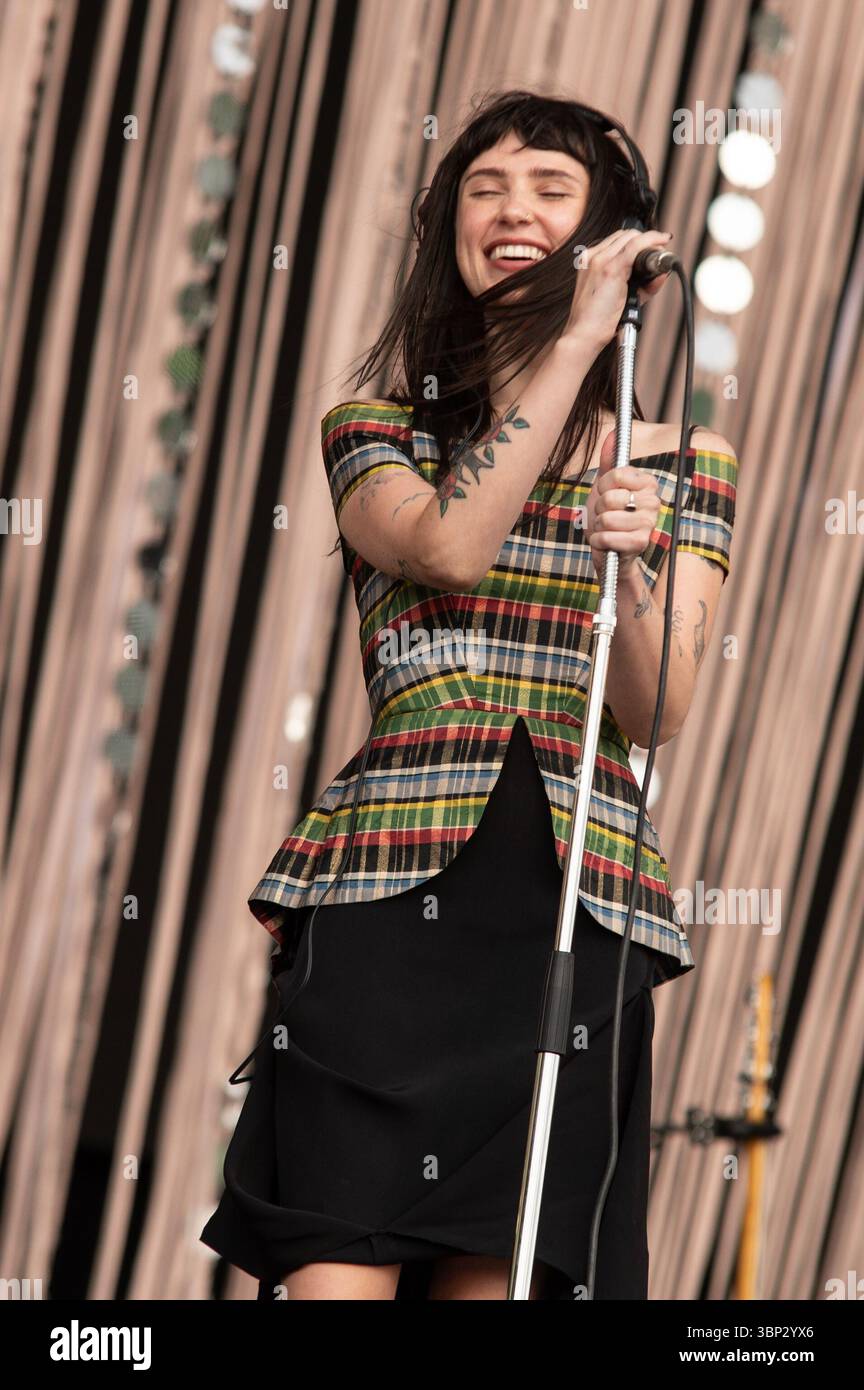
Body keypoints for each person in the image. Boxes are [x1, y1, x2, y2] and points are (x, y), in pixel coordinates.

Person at [200, 89, 738, 1301]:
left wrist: (636, 569)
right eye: (487, 189)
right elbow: (447, 549)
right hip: (389, 895)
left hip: (567, 915)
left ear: (609, 227)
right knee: (337, 1267)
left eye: (552, 190)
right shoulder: (375, 427)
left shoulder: (682, 465)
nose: (514, 211)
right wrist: (573, 346)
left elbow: (657, 712)